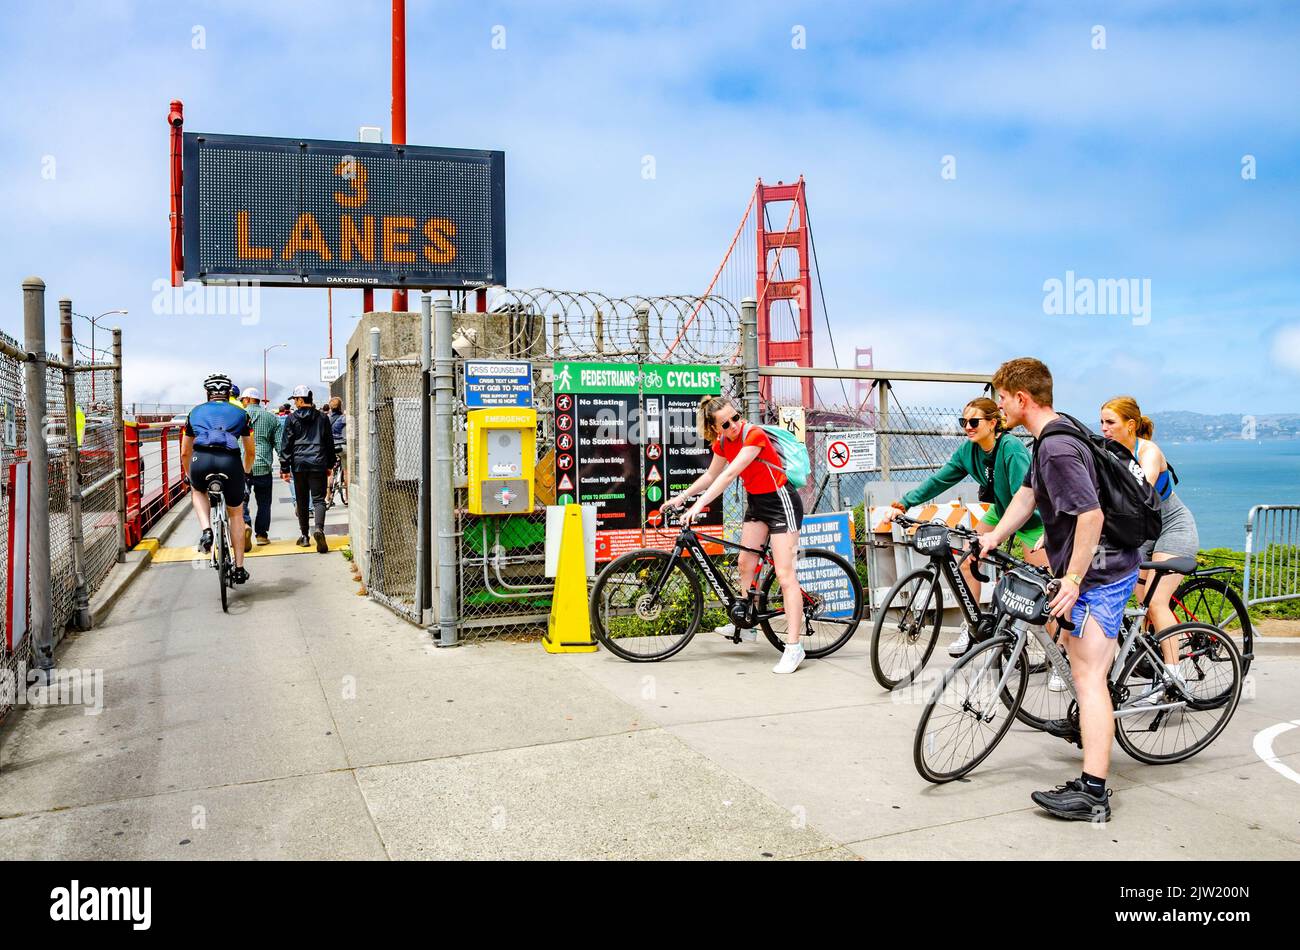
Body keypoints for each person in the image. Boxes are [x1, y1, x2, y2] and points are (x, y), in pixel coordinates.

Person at [979, 358, 1141, 823]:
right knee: (1074, 652)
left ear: (1022, 399)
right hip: (1089, 568)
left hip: (1102, 572)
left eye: (1003, 398)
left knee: (1089, 677)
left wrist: (1071, 580)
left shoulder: (1056, 448)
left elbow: (1090, 516)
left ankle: (1094, 793)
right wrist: (993, 535)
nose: (1000, 405)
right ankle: (1090, 738)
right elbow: (1028, 494)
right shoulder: (1053, 431)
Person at [879, 396, 1050, 658]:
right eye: (963, 422)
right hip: (1001, 509)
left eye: (973, 421)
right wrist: (903, 504)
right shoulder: (968, 452)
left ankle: (1057, 657)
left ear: (993, 423)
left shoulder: (1011, 449)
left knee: (1041, 587)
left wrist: (997, 534)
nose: (967, 427)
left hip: (1033, 516)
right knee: (969, 562)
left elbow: (1024, 500)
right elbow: (938, 481)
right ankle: (972, 627)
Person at [666, 396, 807, 674]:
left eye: (735, 417)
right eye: (726, 423)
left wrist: (698, 506)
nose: (734, 425)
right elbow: (711, 475)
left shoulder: (752, 434)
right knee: (744, 563)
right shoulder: (722, 443)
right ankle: (748, 623)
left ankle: (794, 647)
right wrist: (681, 497)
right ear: (715, 428)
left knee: (785, 574)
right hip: (757, 503)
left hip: (781, 502)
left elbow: (730, 475)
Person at [1100, 396, 1198, 693]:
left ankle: (1173, 677)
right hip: (1141, 532)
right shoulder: (1110, 452)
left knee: (1156, 602)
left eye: (1110, 423)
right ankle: (1147, 660)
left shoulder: (1149, 452)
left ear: (1130, 425)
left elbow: (1139, 497)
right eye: (1101, 422)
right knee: (1138, 601)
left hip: (1172, 527)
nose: (1104, 428)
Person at [180, 373, 255, 585]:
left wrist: (189, 475)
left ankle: (206, 530)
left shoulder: (194, 413)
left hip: (200, 460)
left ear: (208, 394)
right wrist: (246, 473)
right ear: (229, 393)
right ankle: (239, 568)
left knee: (197, 490)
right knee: (236, 514)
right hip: (230, 463)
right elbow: (250, 451)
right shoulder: (241, 413)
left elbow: (185, 452)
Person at [279, 385, 336, 553]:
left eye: (296, 400)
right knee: (318, 499)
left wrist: (284, 466)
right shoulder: (322, 418)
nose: (295, 403)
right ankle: (319, 529)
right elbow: (329, 442)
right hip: (318, 462)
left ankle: (304, 536)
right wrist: (330, 464)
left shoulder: (292, 418)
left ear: (301, 400)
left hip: (299, 464)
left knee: (302, 500)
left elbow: (286, 444)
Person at [239, 386, 282, 546]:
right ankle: (262, 535)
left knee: (240, 501)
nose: (242, 403)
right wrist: (284, 465)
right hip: (263, 467)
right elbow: (279, 444)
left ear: (248, 399)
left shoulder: (239, 417)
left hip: (242, 467)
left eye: (243, 400)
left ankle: (245, 525)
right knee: (264, 503)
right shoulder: (271, 418)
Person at [326, 396, 347, 504]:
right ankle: (348, 497)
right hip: (341, 446)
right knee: (347, 471)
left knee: (330, 471)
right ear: (340, 406)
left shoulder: (327, 418)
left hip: (330, 448)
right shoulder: (343, 418)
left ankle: (327, 497)